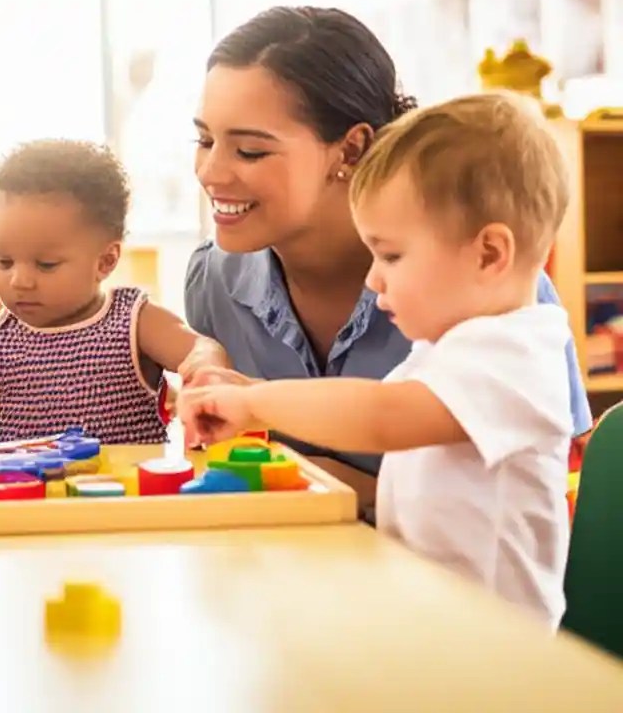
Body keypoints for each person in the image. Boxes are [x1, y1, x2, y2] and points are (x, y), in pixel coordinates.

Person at [182, 92, 574, 628]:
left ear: (489, 254)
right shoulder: (445, 350)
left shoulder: (514, 354)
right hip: (434, 621)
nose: (373, 279)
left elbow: (381, 417)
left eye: (391, 255)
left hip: (495, 642)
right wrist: (248, 392)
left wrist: (256, 403)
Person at [181, 6, 590, 480]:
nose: (210, 172)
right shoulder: (212, 280)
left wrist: (269, 419)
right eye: (204, 141)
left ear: (351, 148)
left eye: (250, 150)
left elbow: (557, 481)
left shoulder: (488, 291)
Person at [0, 139, 226, 444]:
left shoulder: (133, 321)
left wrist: (203, 368)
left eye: (45, 265)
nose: (19, 281)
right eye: (5, 261)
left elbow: (201, 348)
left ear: (105, 261)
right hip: (29, 495)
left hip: (123, 495)